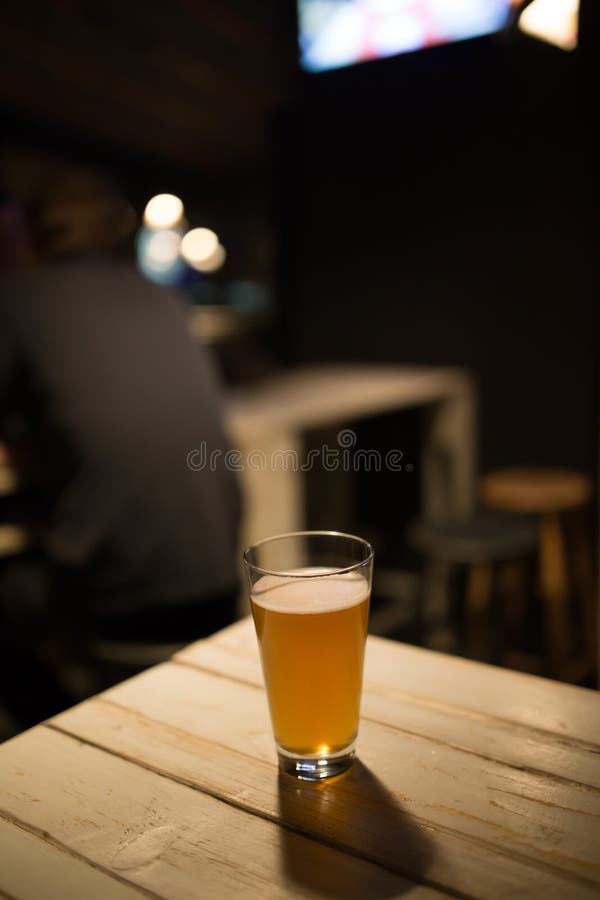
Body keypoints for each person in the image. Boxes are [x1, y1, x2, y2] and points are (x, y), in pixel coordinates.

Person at [0, 164, 240, 726]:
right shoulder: (162, 298)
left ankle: (54, 740)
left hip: (125, 606)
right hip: (222, 586)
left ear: (31, 236)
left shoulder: (16, 299)